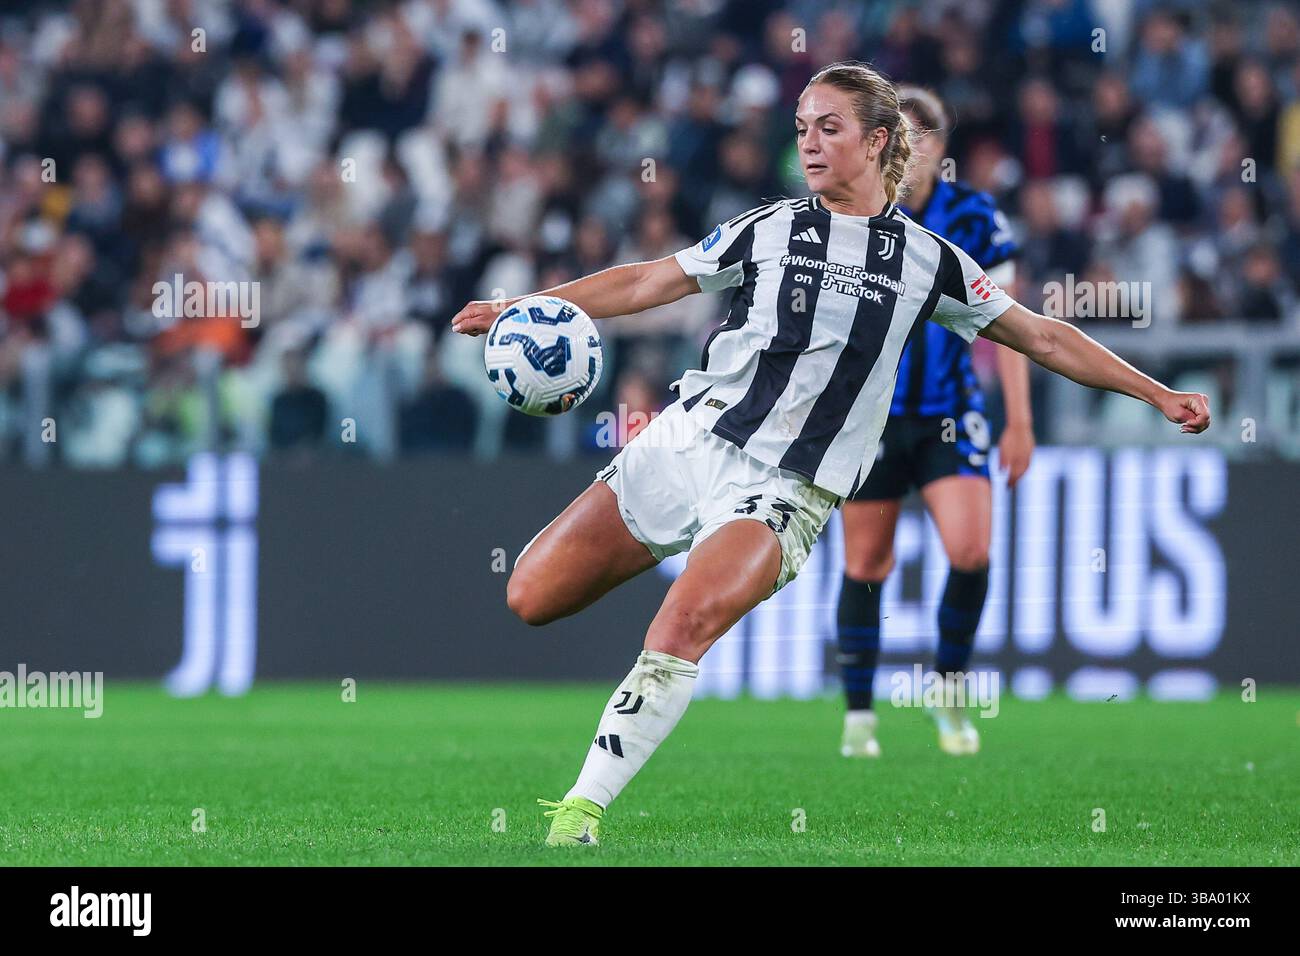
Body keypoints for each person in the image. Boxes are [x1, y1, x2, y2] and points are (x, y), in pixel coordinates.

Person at [449, 61, 1210, 848]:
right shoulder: (768, 227)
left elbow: (1044, 334)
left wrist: (1155, 392)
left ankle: (582, 809)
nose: (809, 144)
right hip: (685, 443)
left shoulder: (930, 262)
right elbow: (649, 282)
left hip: (787, 487)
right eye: (803, 127)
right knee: (532, 595)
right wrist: (527, 305)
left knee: (685, 621)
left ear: (879, 141)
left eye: (829, 128)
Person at [836, 86, 1033, 760]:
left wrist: (1021, 421)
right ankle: (859, 718)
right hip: (871, 417)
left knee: (971, 551)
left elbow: (1014, 328)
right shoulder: (852, 215)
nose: (911, 151)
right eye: (900, 137)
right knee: (867, 563)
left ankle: (948, 689)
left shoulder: (975, 216)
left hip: (951, 412)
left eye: (925, 139)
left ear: (941, 148)